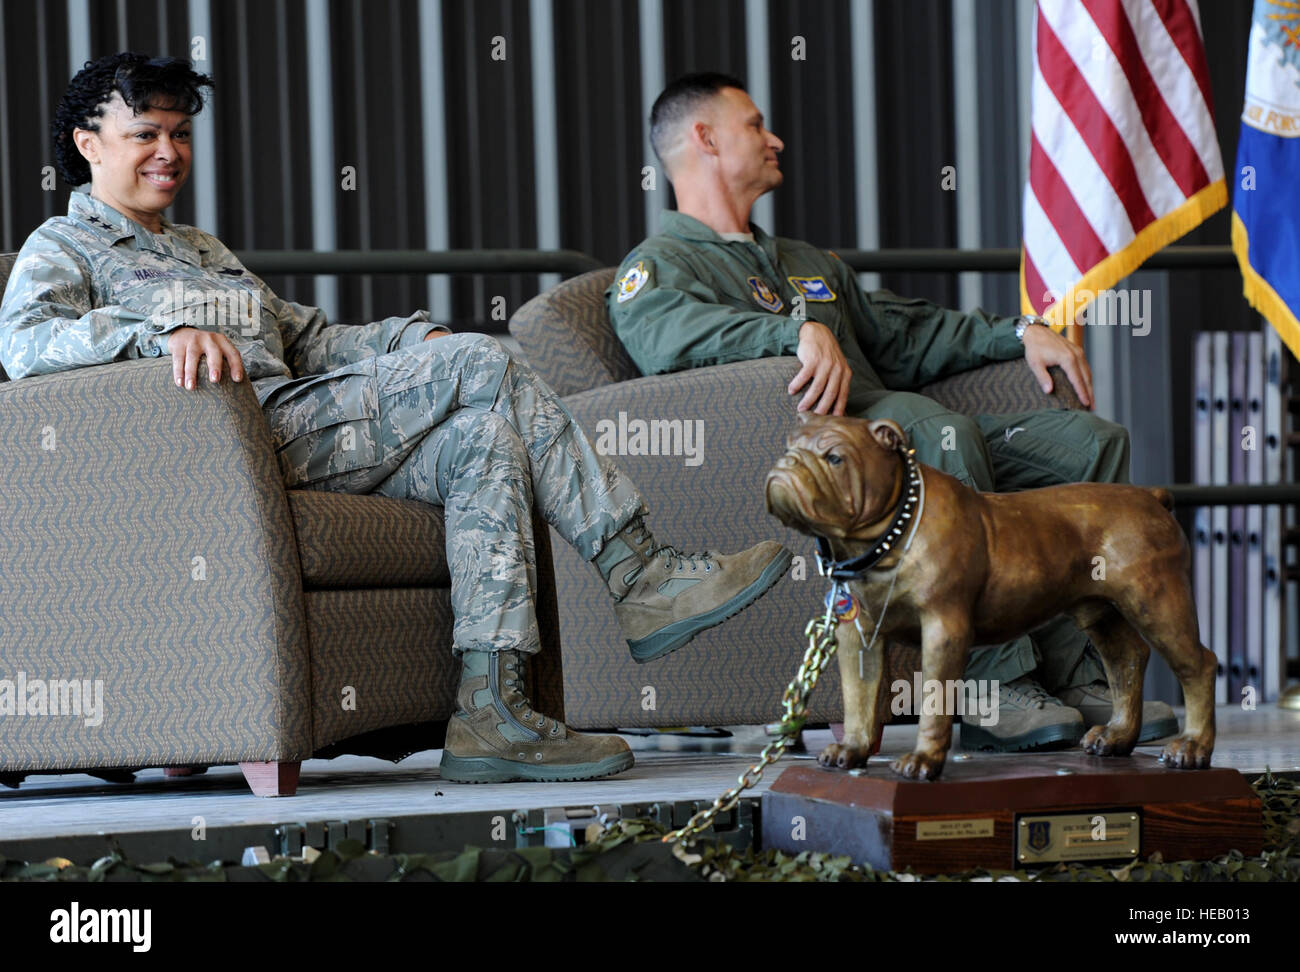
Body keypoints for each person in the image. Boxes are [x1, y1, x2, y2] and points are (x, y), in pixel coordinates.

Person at [0, 53, 793, 784]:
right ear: (87, 144)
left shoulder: (202, 250)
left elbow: (309, 339)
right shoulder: (63, 246)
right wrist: (157, 332)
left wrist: (414, 339)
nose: (168, 151)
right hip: (228, 449)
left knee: (482, 438)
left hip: (303, 421)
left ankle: (494, 711)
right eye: (144, 134)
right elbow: (25, 343)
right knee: (482, 367)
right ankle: (639, 569)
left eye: (178, 133)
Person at [609, 72, 1178, 752]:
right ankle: (989, 685)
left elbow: (906, 334)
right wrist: (792, 333)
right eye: (755, 125)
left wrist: (1018, 332)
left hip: (919, 436)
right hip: (851, 467)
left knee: (1089, 444)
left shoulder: (803, 261)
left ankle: (1078, 671)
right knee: (937, 430)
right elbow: (667, 343)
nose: (775, 139)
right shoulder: (658, 267)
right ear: (703, 138)